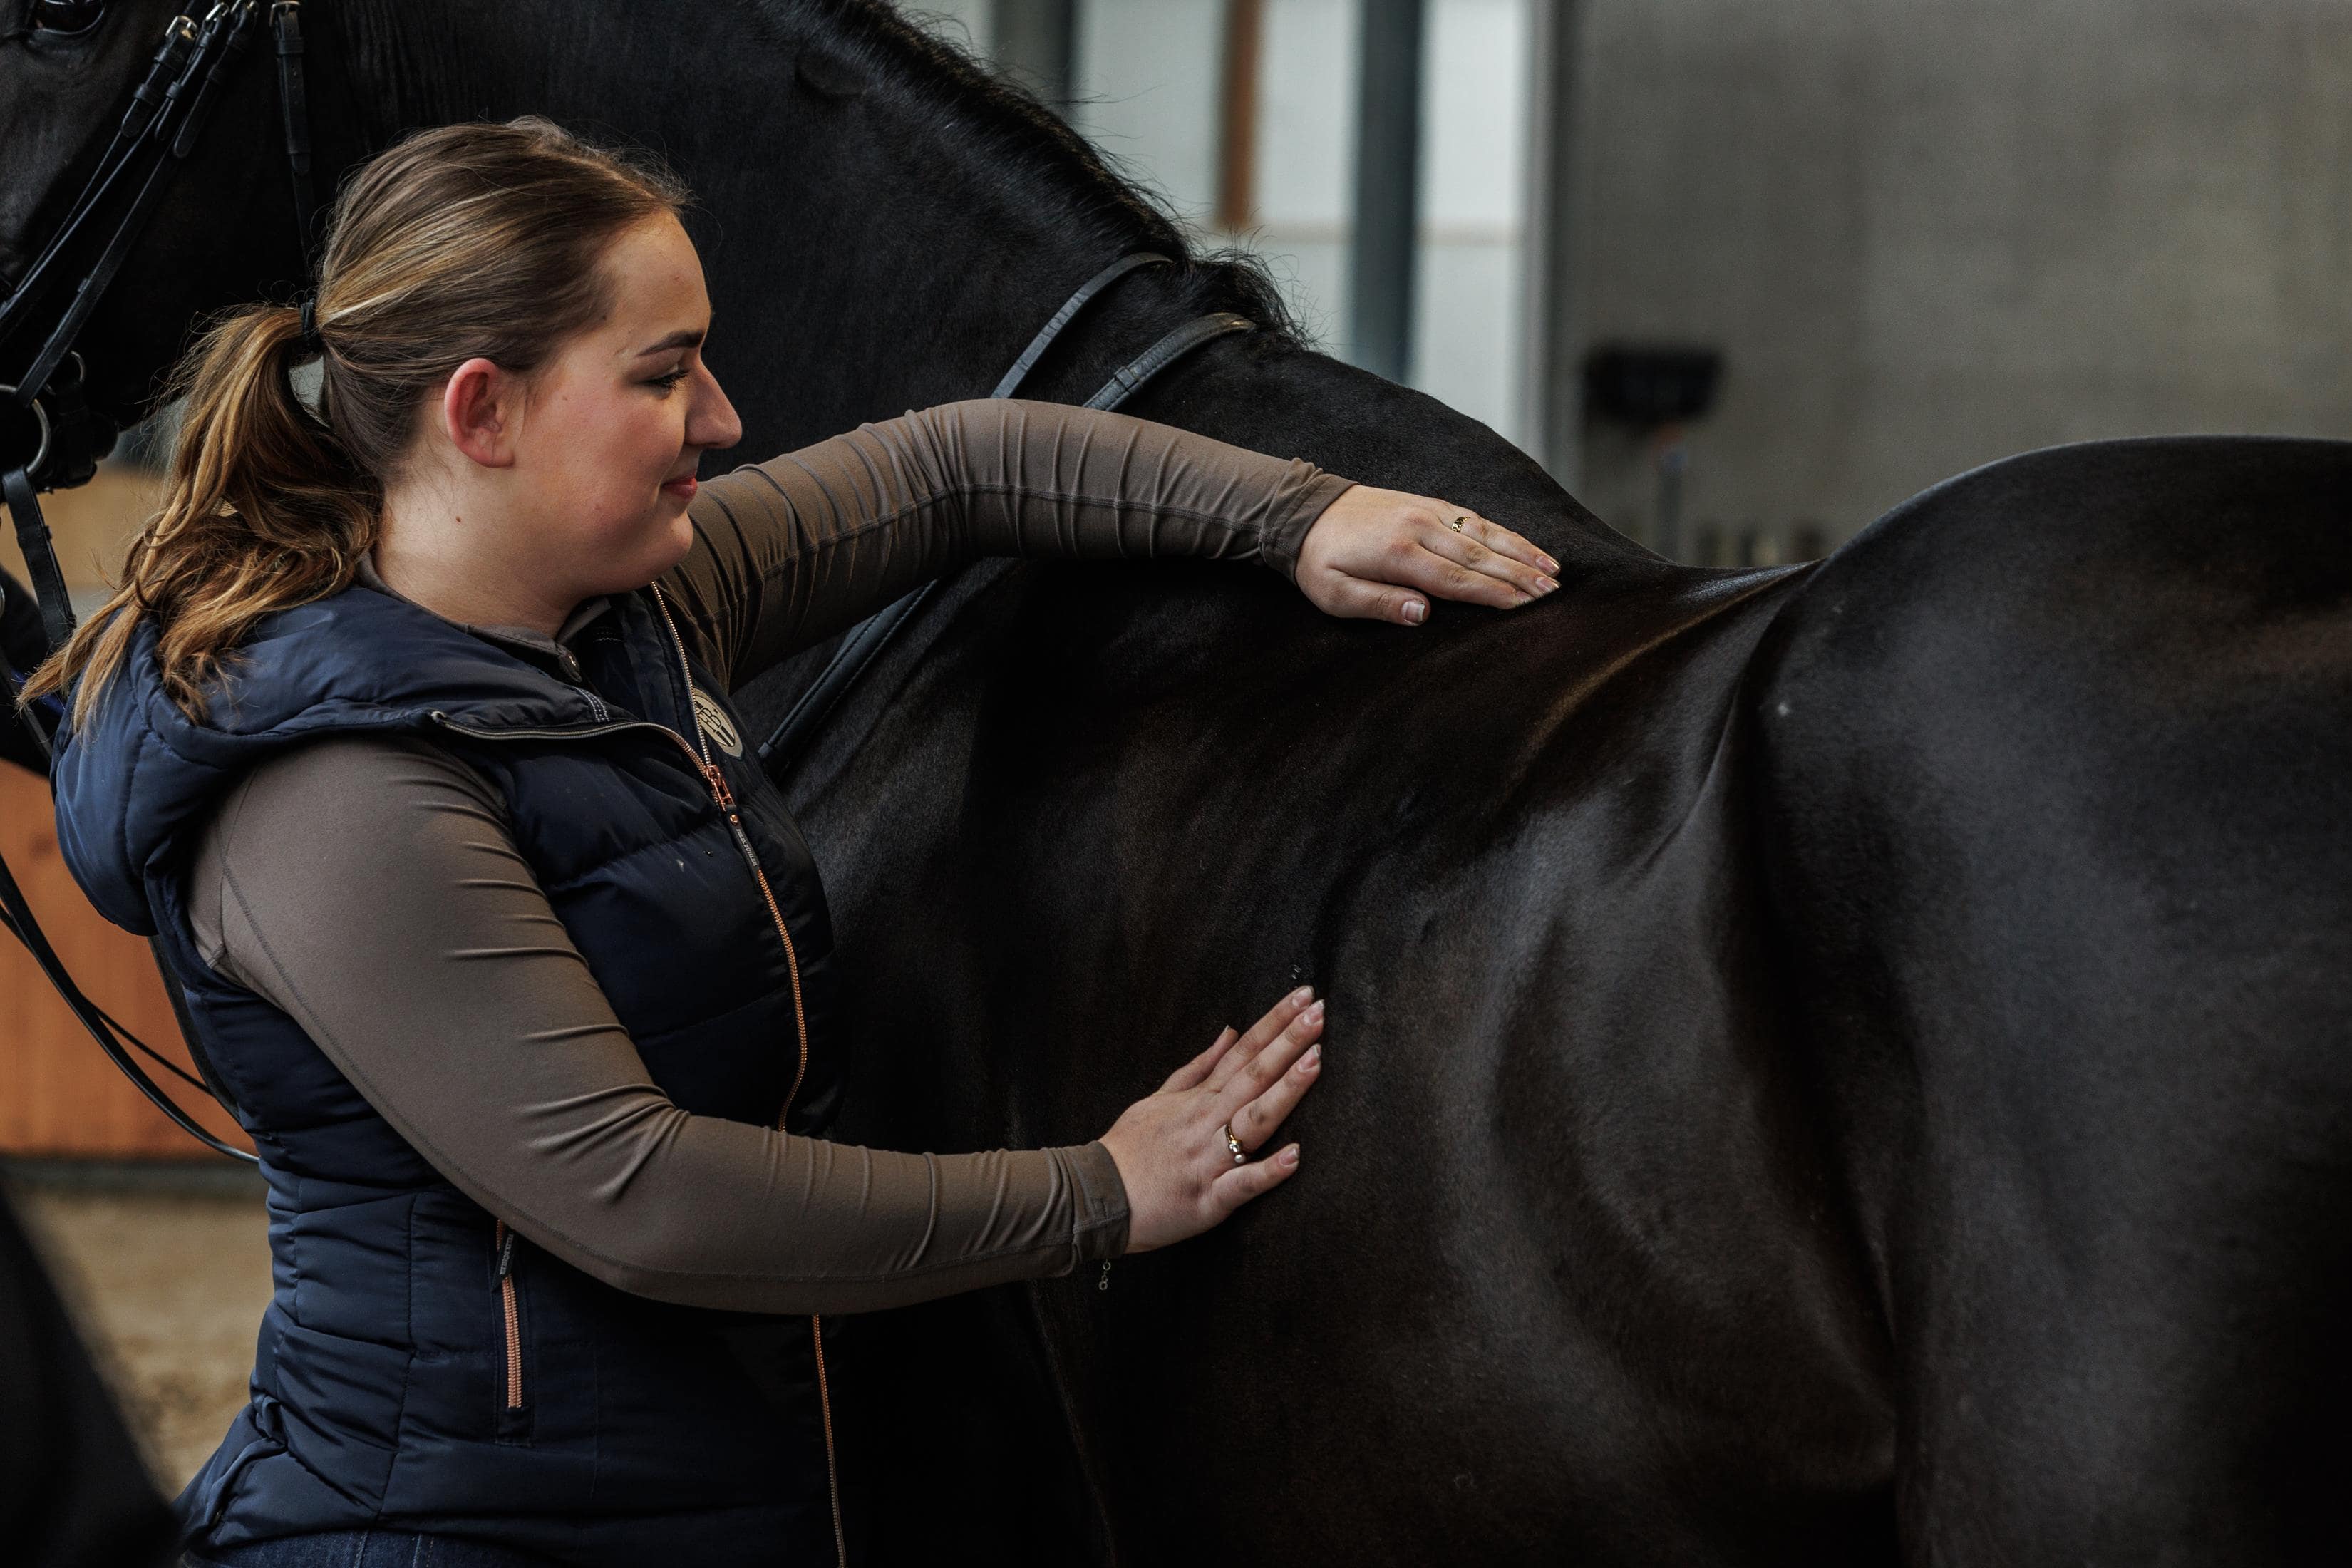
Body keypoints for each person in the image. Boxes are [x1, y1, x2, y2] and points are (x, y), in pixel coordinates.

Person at [16, 115, 1561, 1568]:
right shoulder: (339, 790)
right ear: (481, 408)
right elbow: (637, 1190)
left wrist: (1298, 514)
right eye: (663, 373)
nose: (723, 418)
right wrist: (1098, 1187)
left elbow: (959, 467)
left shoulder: (625, 620)